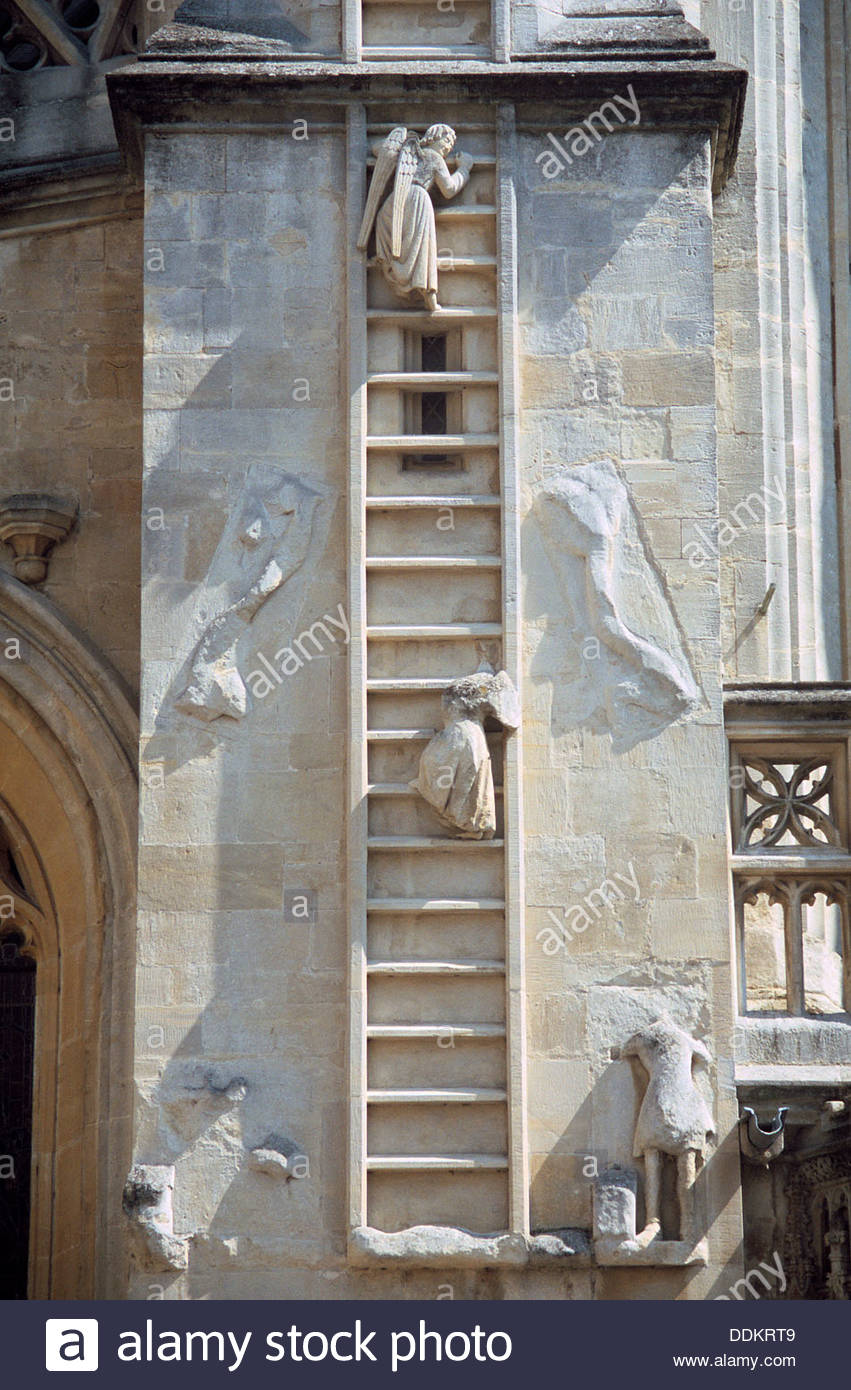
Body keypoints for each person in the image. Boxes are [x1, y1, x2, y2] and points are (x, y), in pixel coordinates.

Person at [357, 124, 474, 312]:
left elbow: (377, 149)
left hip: (398, 199)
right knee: (422, 246)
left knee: (395, 231)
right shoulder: (434, 157)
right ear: (433, 137)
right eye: (446, 140)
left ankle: (390, 266)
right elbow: (449, 189)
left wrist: (400, 144)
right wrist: (464, 170)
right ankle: (428, 294)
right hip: (417, 199)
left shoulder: (411, 152)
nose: (448, 146)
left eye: (451, 144)